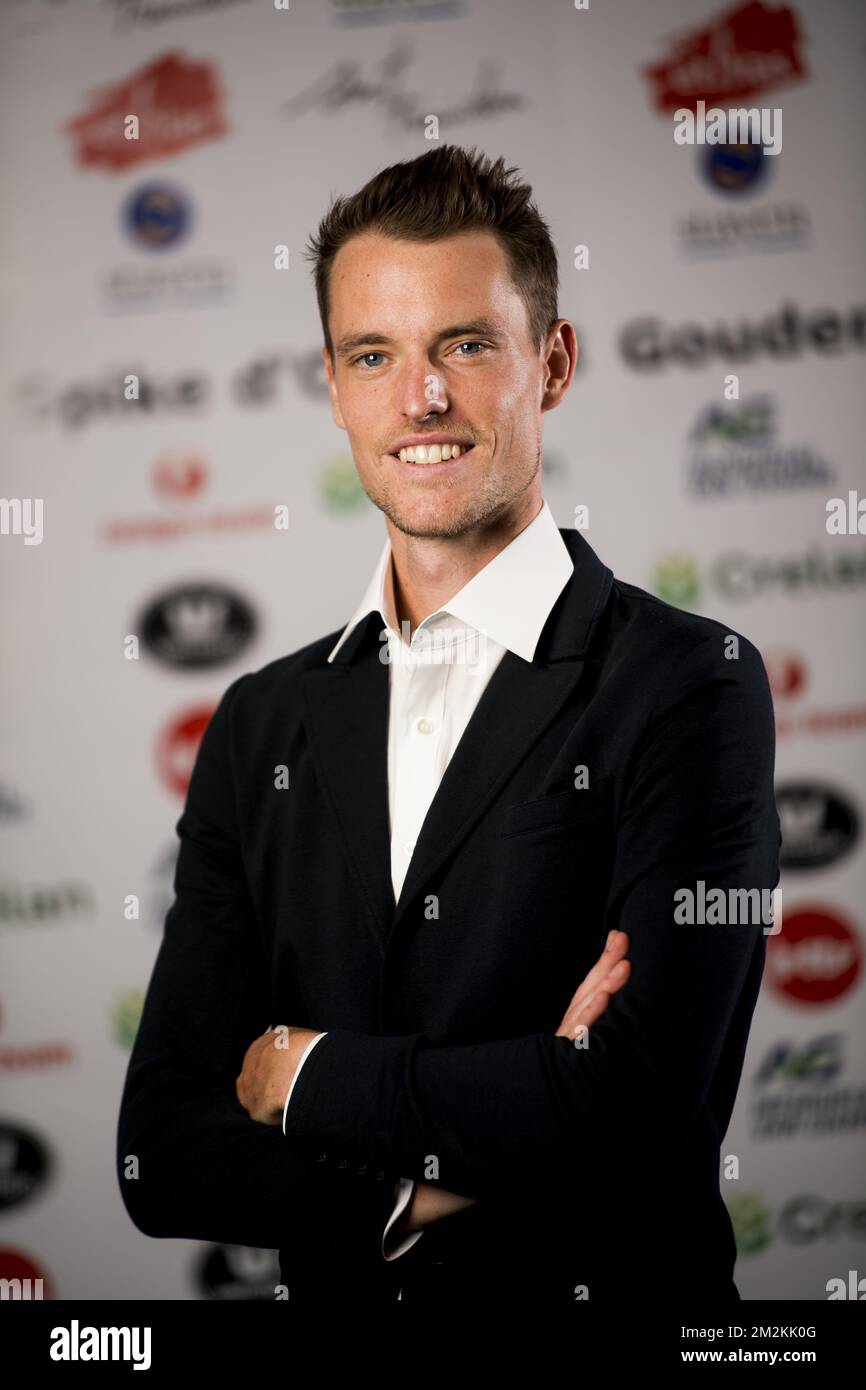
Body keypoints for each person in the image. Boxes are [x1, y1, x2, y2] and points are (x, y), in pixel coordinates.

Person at [117, 145, 781, 1305]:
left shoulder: (688, 683)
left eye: (465, 345)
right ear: (332, 384)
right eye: (374, 355)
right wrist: (432, 1179)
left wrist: (304, 1072)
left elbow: (633, 1109)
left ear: (553, 362)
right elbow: (163, 1155)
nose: (419, 398)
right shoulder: (259, 722)